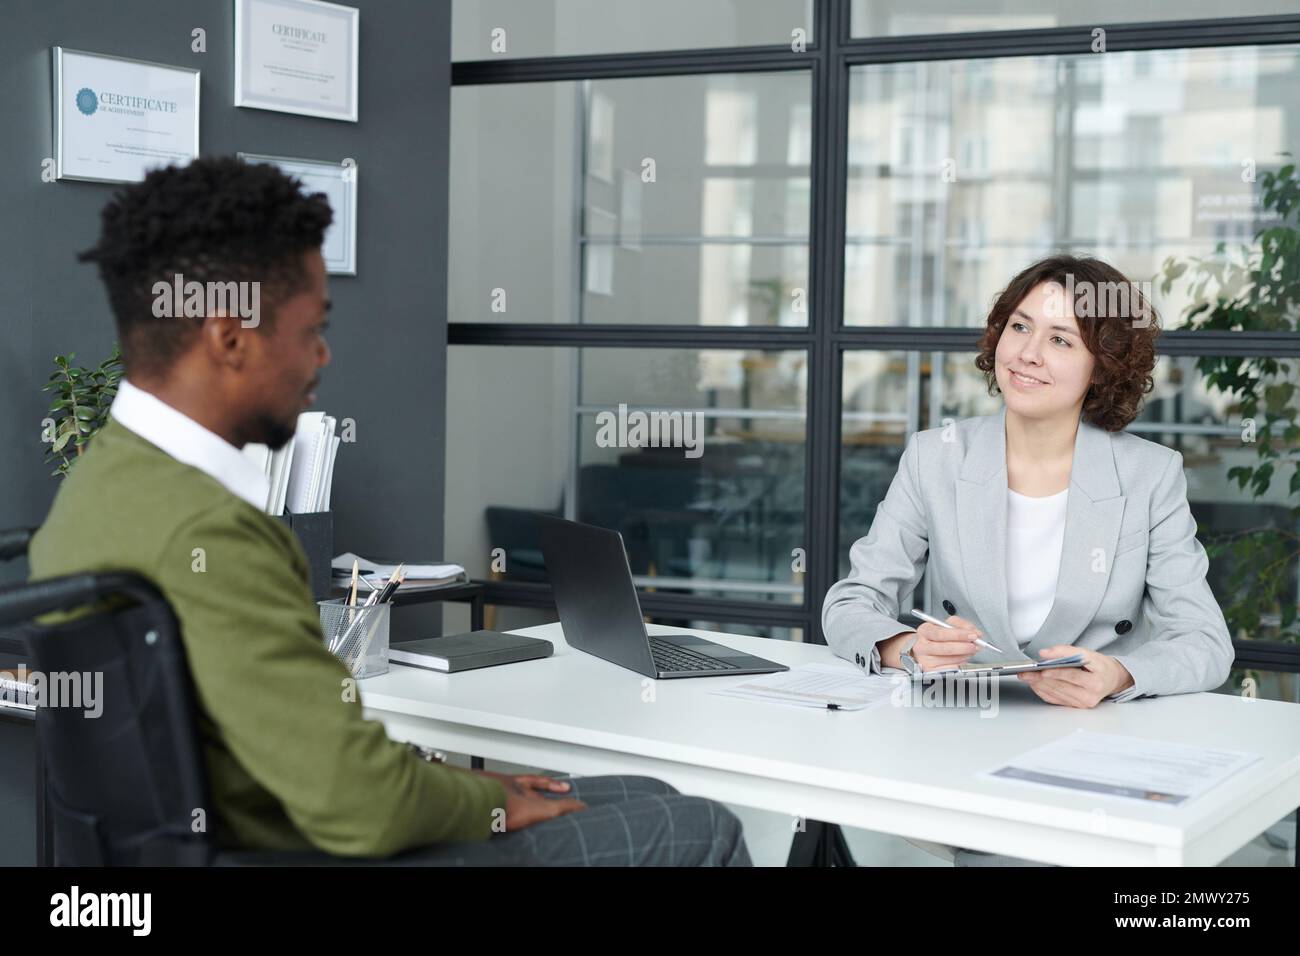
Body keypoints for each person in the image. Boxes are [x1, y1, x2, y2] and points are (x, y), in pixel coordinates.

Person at [29, 156, 750, 867]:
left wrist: (470, 786)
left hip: (254, 834)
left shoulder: (98, 489)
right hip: (311, 850)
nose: (323, 356)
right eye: (312, 329)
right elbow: (352, 802)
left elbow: (287, 753)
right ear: (230, 337)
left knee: (645, 792)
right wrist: (487, 805)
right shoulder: (211, 533)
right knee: (701, 827)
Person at [823, 254, 1233, 864]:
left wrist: (1120, 675)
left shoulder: (1150, 475)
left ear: (1104, 368)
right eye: (1019, 326)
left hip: (1092, 749)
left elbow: (1205, 642)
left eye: (1061, 338)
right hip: (960, 738)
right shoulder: (937, 458)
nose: (1028, 353)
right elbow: (850, 603)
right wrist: (903, 648)